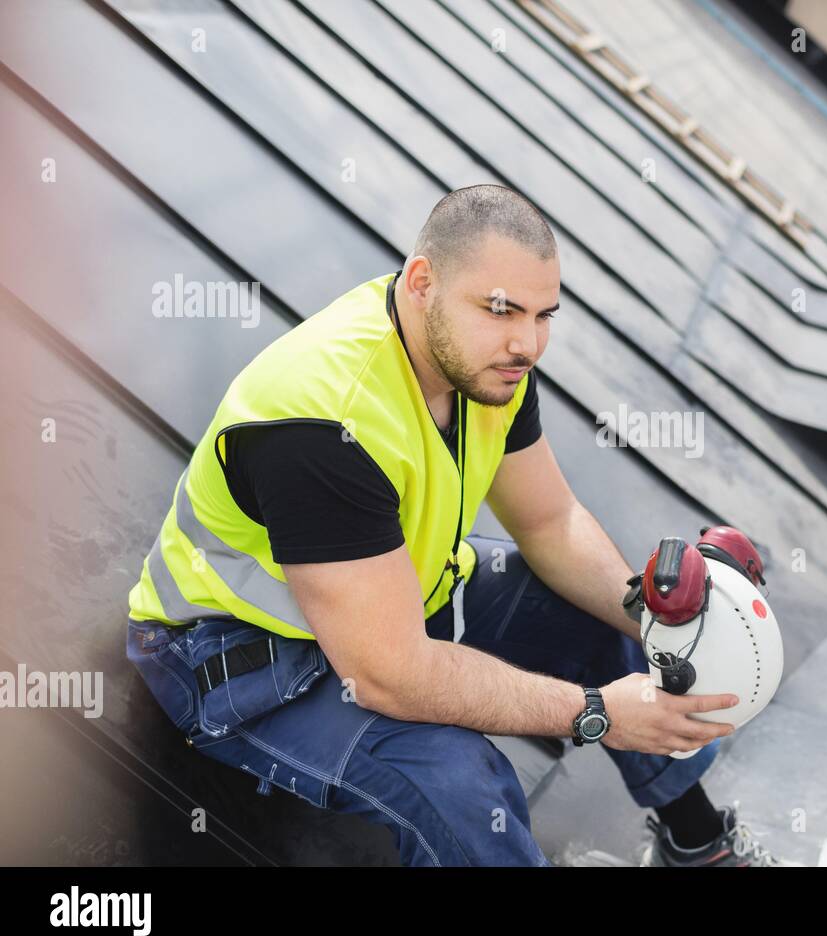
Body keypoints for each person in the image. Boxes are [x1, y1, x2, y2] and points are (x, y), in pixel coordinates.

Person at [125, 184, 785, 866]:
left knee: (594, 614)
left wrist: (658, 620)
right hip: (244, 661)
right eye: (500, 309)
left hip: (394, 602)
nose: (527, 342)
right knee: (459, 784)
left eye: (542, 315)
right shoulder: (323, 422)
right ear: (421, 282)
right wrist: (599, 712)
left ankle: (699, 845)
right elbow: (390, 676)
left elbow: (552, 523)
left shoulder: (485, 364)